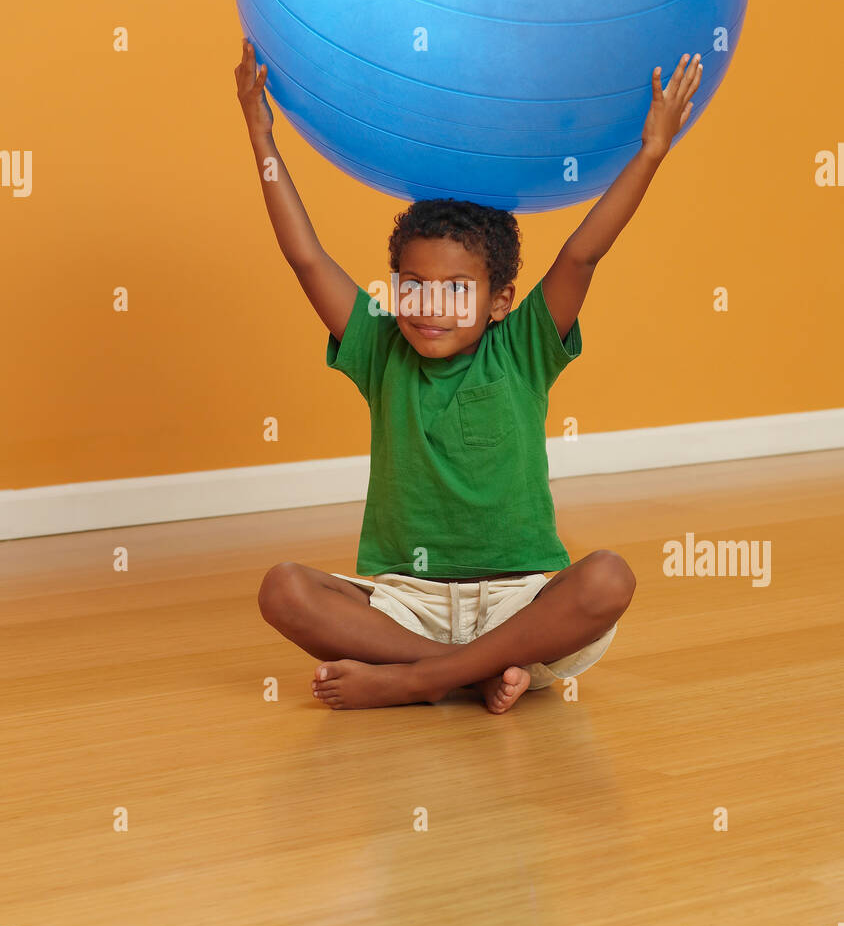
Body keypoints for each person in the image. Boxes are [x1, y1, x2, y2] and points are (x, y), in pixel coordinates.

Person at [235, 39, 702, 712]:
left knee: (606, 581)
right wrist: (261, 134)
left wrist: (650, 151)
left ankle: (421, 680)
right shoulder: (377, 347)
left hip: (523, 608)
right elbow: (306, 257)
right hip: (407, 609)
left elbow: (583, 253)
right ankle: (469, 671)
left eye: (457, 290)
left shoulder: (524, 349)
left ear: (499, 301)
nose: (430, 306)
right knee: (282, 590)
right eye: (414, 285)